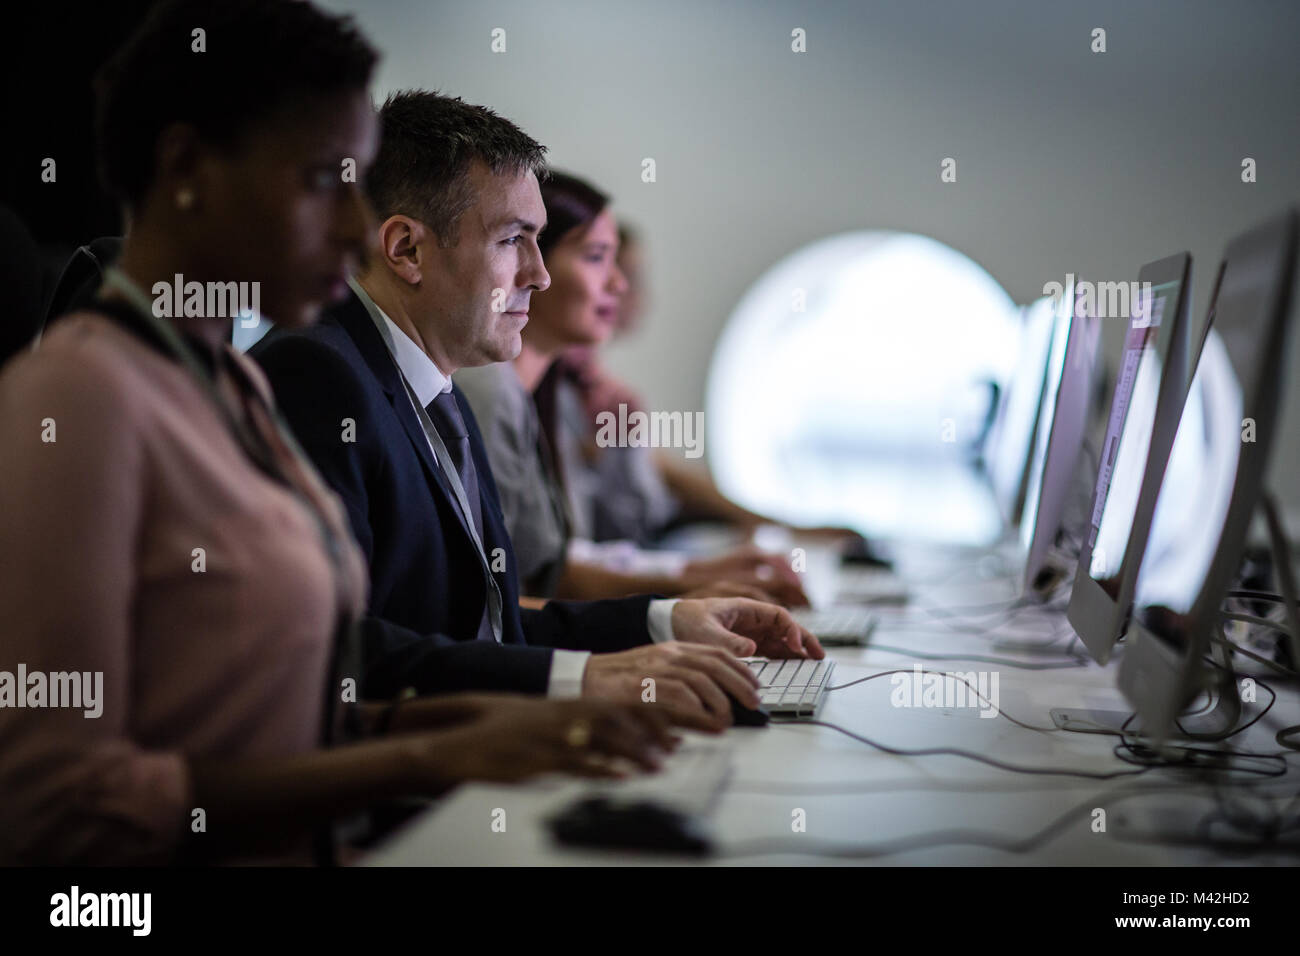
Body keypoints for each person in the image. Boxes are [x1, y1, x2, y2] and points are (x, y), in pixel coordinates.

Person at [0, 0, 676, 866]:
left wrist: (513, 716)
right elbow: (65, 808)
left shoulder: (233, 383)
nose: (361, 230)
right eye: (328, 181)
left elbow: (298, 700)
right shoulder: (85, 395)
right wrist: (429, 754)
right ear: (185, 168)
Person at [252, 90, 823, 734]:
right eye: (513, 241)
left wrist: (665, 619)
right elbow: (343, 647)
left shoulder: (436, 384)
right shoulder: (319, 376)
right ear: (407, 249)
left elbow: (494, 626)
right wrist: (583, 680)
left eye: (541, 242)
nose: (540, 275)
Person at [456, 172, 810, 606]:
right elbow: (523, 590)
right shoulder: (491, 388)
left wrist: (696, 576)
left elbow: (553, 565)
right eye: (596, 257)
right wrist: (684, 594)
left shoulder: (541, 391)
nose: (619, 286)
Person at [556, 223, 865, 549]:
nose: (632, 291)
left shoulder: (598, 385)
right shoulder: (573, 388)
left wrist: (778, 527)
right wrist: (780, 528)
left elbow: (662, 472)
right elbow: (665, 478)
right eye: (632, 277)